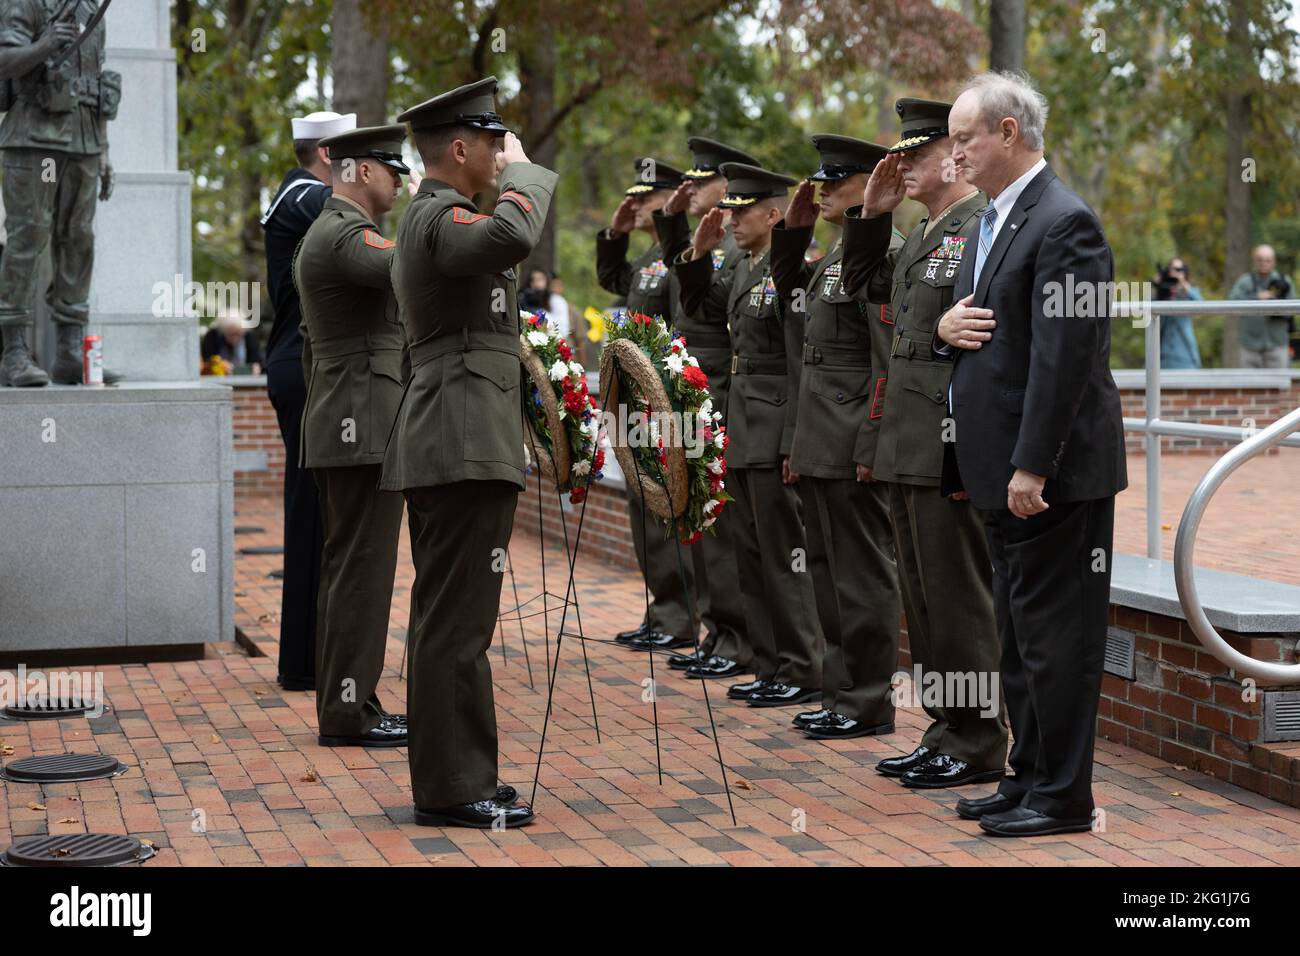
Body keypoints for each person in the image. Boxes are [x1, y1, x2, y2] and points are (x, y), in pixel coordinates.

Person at [936, 71, 1126, 837]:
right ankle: (1026, 780)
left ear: (1008, 133)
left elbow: (1064, 360)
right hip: (999, 470)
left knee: (1059, 641)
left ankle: (1063, 797)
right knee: (1019, 638)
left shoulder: (1064, 222)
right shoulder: (996, 220)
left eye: (964, 140)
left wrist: (1032, 465)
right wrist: (947, 328)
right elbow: (985, 326)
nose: (955, 157)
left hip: (1050, 477)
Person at [380, 76, 556, 829]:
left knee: (452, 620)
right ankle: (453, 789)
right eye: (492, 142)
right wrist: (524, 175)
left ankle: (461, 772)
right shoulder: (435, 217)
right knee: (456, 623)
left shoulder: (437, 218)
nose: (501, 153)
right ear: (460, 147)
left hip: (462, 435)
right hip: (456, 438)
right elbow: (512, 236)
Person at [841, 97, 1008, 786]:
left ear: (954, 156)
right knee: (923, 592)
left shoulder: (979, 227)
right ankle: (944, 727)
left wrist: (936, 338)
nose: (901, 166)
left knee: (957, 594)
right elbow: (862, 291)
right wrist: (873, 215)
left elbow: (984, 331)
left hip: (947, 440)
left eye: (915, 155)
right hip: (908, 438)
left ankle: (975, 740)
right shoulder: (922, 231)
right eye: (901, 155)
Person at [676, 163, 824, 708]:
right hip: (741, 426)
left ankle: (804, 667)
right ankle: (768, 663)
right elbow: (703, 309)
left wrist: (792, 441)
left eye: (743, 212)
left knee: (786, 557)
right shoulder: (743, 266)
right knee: (752, 555)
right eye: (731, 211)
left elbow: (799, 360)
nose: (733, 221)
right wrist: (696, 253)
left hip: (774, 428)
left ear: (773, 214)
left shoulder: (793, 269)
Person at [770, 134, 903, 740]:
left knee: (861, 576)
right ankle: (839, 692)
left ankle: (869, 700)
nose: (822, 192)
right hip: (821, 440)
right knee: (825, 573)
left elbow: (886, 362)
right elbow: (796, 322)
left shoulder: (883, 253)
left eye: (836, 182)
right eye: (820, 182)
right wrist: (792, 239)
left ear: (871, 185)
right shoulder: (835, 257)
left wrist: (872, 443)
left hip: (853, 443)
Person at [293, 124, 412, 749]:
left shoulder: (336, 229)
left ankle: (352, 702)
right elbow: (408, 265)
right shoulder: (342, 232)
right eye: (393, 169)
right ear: (360, 171)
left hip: (356, 419)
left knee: (352, 570)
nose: (402, 180)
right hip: (359, 422)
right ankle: (349, 713)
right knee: (361, 570)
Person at [654, 136, 758, 679]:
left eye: (703, 183)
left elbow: (710, 313)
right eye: (687, 182)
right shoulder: (713, 246)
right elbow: (683, 288)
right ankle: (717, 631)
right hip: (697, 393)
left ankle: (736, 638)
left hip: (722, 393)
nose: (690, 190)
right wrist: (675, 228)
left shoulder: (742, 251)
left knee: (723, 530)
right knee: (698, 518)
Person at [260, 109, 356, 692]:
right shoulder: (305, 195)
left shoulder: (300, 194)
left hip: (303, 367)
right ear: (326, 155)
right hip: (304, 369)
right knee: (313, 511)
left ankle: (308, 655)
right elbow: (352, 222)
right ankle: (304, 660)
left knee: (317, 510)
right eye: (353, 157)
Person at [595, 157, 703, 653]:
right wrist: (614, 235)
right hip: (640, 401)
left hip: (666, 402)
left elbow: (688, 320)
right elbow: (617, 281)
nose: (634, 205)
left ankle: (680, 617)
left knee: (668, 512)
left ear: (672, 200)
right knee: (644, 512)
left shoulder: (685, 254)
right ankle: (661, 609)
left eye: (645, 198)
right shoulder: (650, 258)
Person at [0, 0, 122, 387]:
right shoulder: (25, 3)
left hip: (83, 141)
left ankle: (70, 352)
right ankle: (14, 351)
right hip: (34, 136)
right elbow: (3, 61)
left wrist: (104, 151)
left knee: (78, 240)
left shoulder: (91, 10)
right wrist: (44, 45)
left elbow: (98, 82)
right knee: (28, 237)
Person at [1229, 244, 1294, 368]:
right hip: (1249, 346)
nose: (1264, 263)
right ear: (1254, 261)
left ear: (1274, 262)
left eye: (1268, 260)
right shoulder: (1245, 280)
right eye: (1260, 260)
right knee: (1250, 386)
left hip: (1277, 344)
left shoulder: (1284, 281)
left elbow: (1292, 310)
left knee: (1279, 385)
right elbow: (1232, 303)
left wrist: (1275, 301)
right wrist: (1256, 297)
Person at [1155, 258, 1202, 369]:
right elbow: (1145, 311)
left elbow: (1201, 306)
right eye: (1172, 269)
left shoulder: (1189, 293)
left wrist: (1185, 286)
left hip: (1185, 355)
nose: (1175, 273)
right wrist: (1157, 287)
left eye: (1179, 269)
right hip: (1162, 356)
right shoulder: (1163, 293)